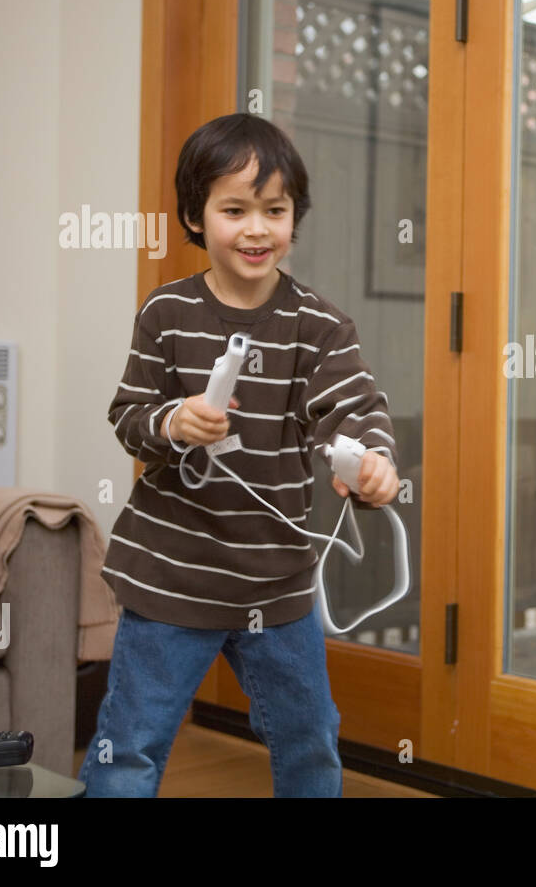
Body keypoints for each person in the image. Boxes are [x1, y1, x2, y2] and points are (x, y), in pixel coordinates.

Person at [78, 113, 399, 797]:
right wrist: (172, 422)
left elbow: (356, 407)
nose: (257, 229)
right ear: (196, 216)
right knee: (128, 746)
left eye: (274, 210)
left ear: (294, 218)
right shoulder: (164, 314)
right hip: (172, 580)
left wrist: (371, 459)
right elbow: (128, 418)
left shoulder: (319, 326)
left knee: (310, 741)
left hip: (275, 581)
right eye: (235, 209)